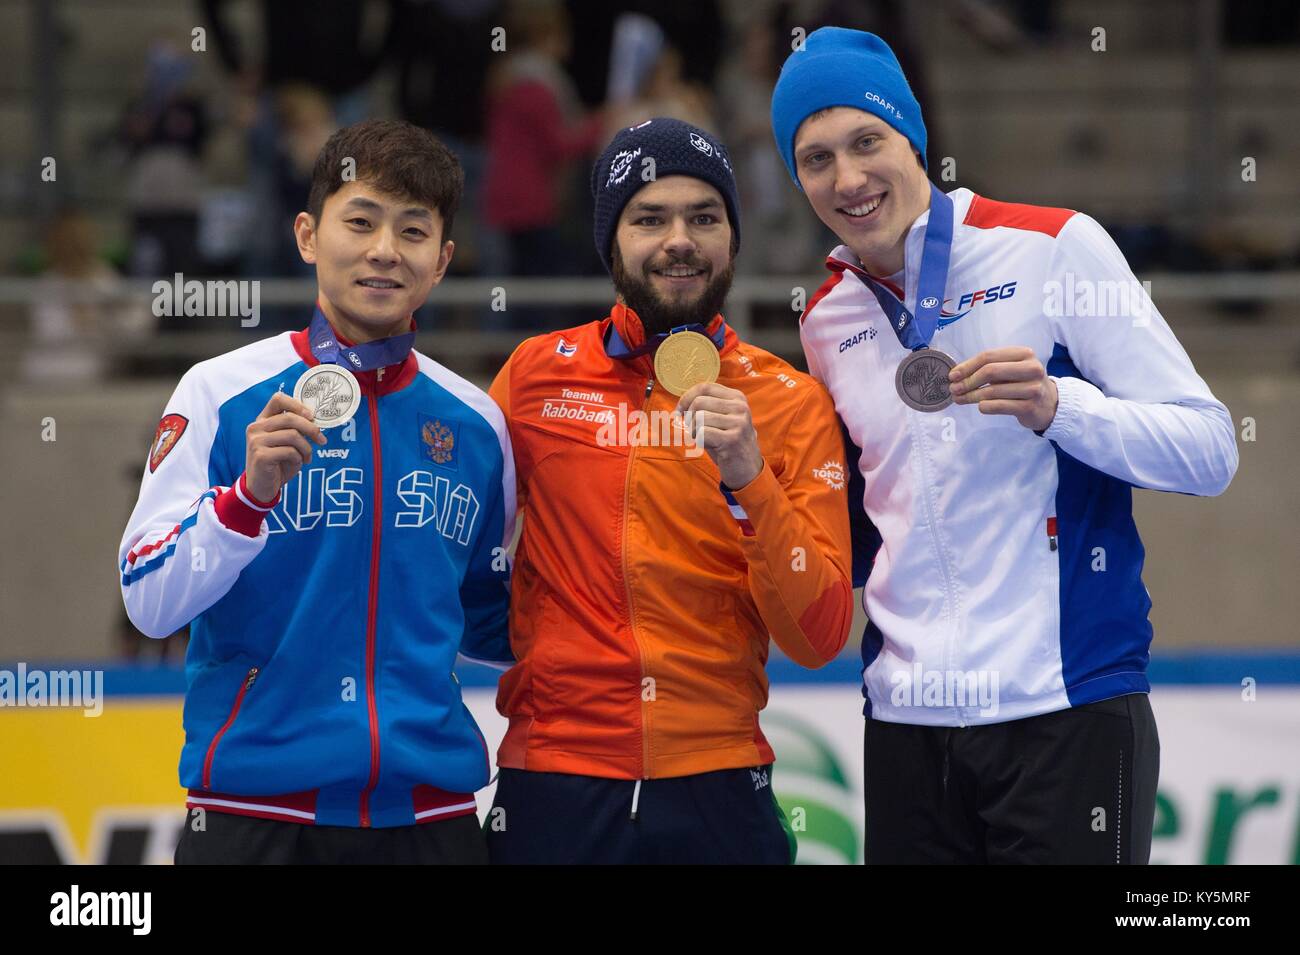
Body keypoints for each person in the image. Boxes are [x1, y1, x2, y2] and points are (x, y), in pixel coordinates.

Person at [770, 27, 1240, 864]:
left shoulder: (1055, 246)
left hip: (1065, 709)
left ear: (913, 136)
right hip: (908, 725)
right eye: (814, 158)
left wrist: (1062, 407)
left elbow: (1210, 449)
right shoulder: (826, 317)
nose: (847, 179)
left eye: (866, 141)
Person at [118, 120, 515, 864]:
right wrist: (245, 500)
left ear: (444, 260)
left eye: (413, 231)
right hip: (251, 817)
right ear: (307, 235)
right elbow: (148, 599)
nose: (384, 251)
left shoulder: (478, 422)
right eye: (359, 221)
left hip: (431, 823)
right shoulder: (218, 393)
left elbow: (493, 623)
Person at [485, 118, 854, 864]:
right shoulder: (534, 376)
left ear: (732, 239)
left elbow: (818, 637)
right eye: (649, 218)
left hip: (718, 780)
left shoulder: (789, 401)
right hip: (553, 779)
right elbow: (461, 563)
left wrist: (751, 478)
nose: (678, 240)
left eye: (704, 217)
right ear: (611, 241)